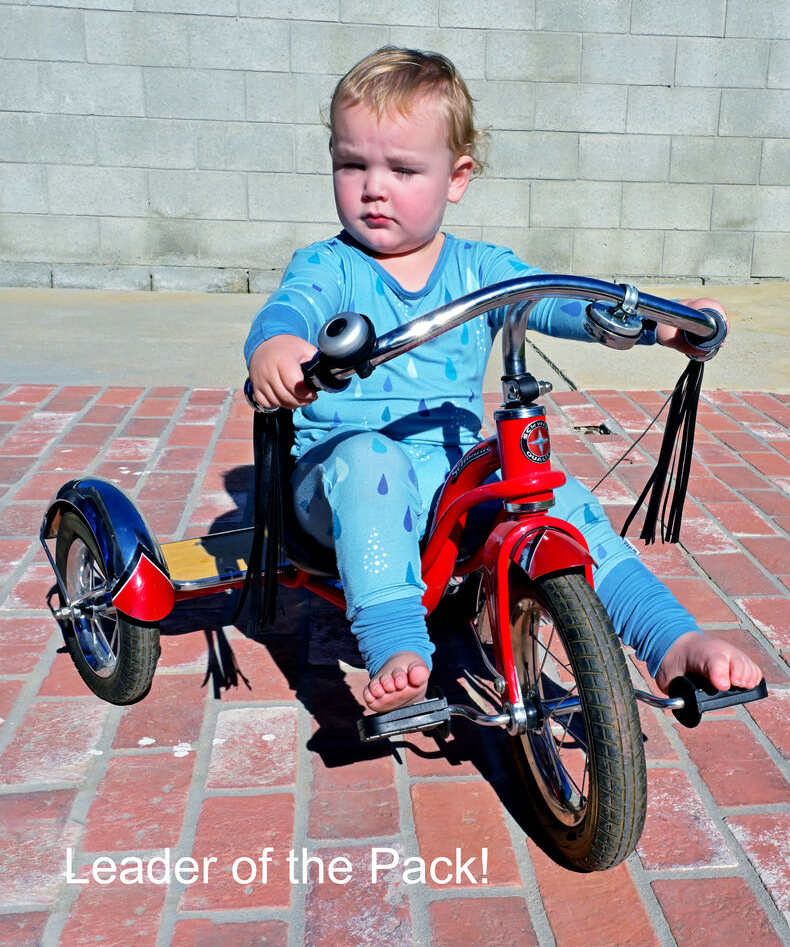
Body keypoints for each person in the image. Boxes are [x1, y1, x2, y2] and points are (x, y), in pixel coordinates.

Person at [246, 46, 762, 714]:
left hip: (451, 483)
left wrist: (653, 322)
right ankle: (398, 644)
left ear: (457, 177)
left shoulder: (479, 268)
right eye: (352, 164)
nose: (374, 187)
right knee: (370, 459)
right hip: (339, 484)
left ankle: (669, 640)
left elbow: (550, 300)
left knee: (557, 492)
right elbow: (291, 308)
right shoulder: (328, 266)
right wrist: (277, 345)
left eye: (403, 168)